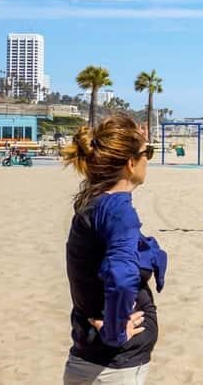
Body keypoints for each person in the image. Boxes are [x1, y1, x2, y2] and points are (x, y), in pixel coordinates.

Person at [60, 114, 168, 385]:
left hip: (88, 359)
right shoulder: (118, 210)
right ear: (131, 164)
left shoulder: (94, 202)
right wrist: (114, 332)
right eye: (148, 153)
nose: (148, 160)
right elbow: (120, 276)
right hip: (113, 369)